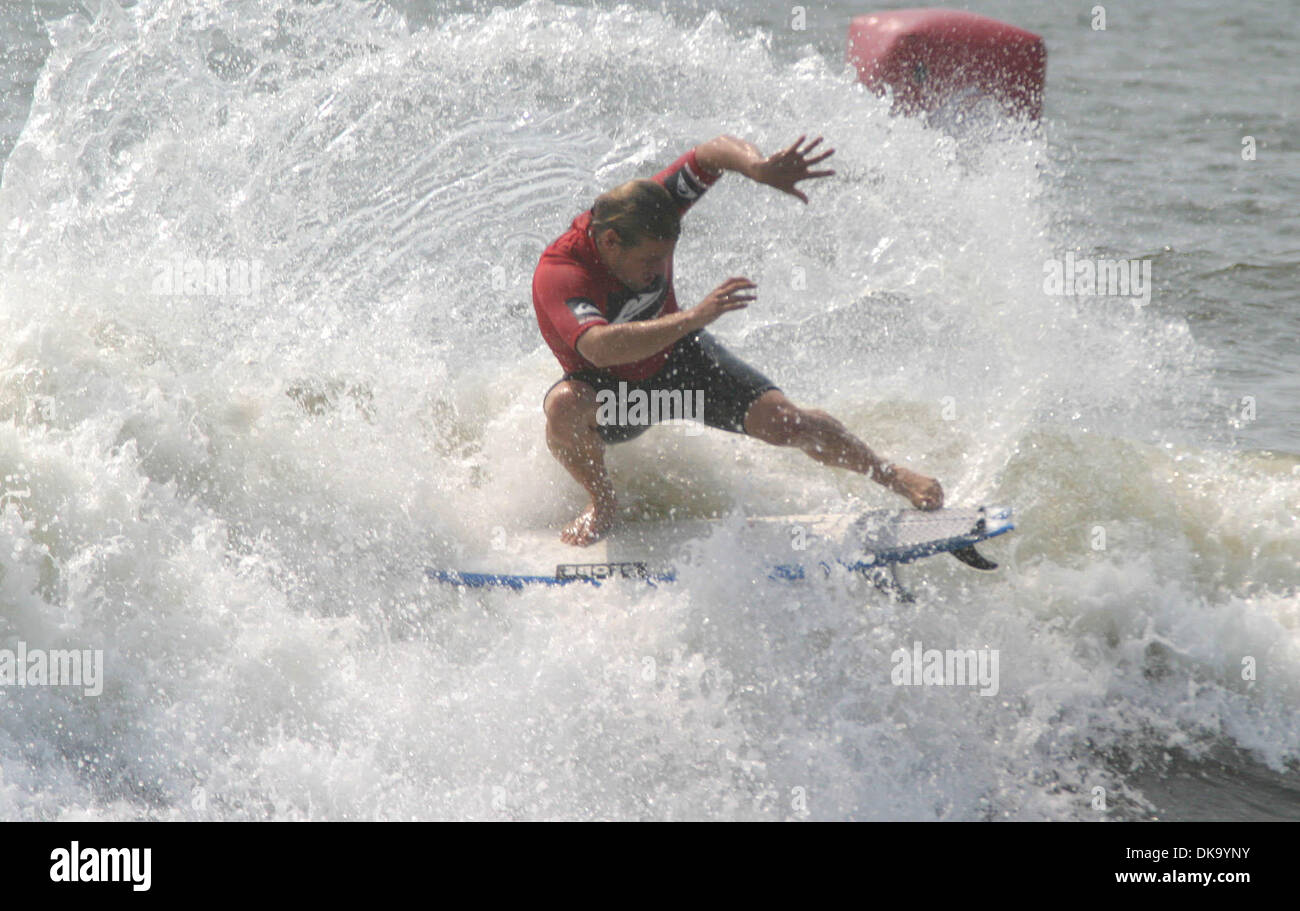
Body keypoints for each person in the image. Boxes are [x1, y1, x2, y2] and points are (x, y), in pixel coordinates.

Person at [533, 134, 944, 546]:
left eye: (665, 256)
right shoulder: (562, 271)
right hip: (621, 399)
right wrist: (694, 316)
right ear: (609, 242)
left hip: (678, 366)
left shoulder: (648, 206)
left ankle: (892, 475)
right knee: (564, 406)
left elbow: (709, 154)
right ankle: (602, 502)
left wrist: (757, 168)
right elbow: (599, 347)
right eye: (649, 260)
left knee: (786, 421)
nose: (659, 270)